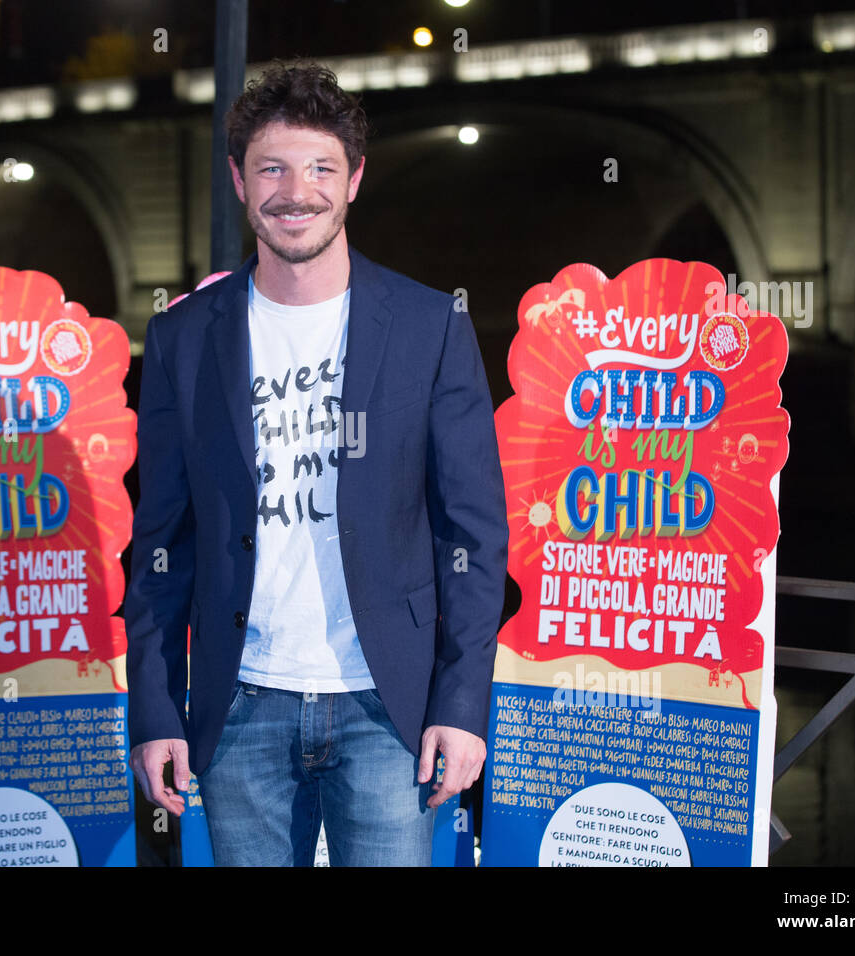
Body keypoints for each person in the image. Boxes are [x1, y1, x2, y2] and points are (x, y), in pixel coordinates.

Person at [125, 60, 508, 866]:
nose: (294, 191)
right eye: (271, 167)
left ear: (355, 180)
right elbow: (159, 543)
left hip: (387, 711)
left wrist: (463, 704)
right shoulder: (181, 341)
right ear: (237, 179)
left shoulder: (429, 327)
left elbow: (472, 535)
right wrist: (157, 711)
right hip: (239, 712)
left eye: (319, 168)